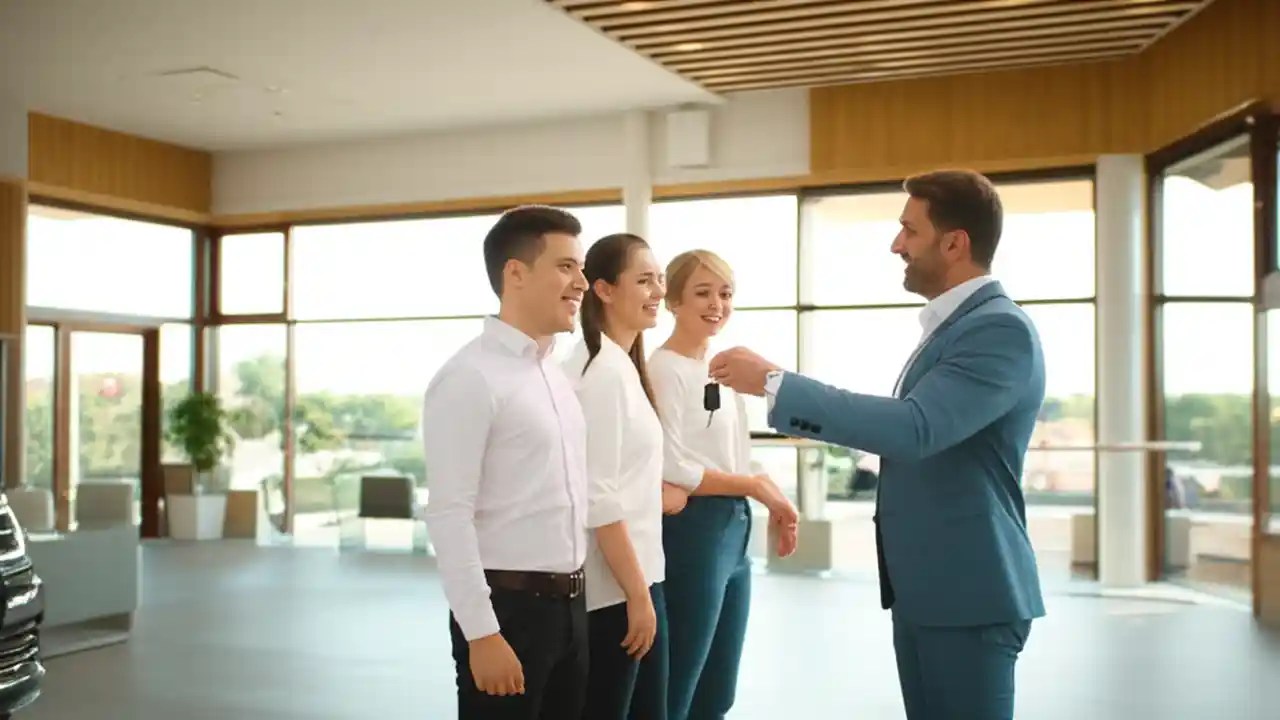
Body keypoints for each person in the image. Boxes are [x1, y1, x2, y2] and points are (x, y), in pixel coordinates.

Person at [708, 169, 1046, 719]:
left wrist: (776, 383)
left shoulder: (998, 331)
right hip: (930, 592)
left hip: (969, 593)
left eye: (909, 231)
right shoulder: (955, 328)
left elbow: (914, 428)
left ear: (954, 242)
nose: (897, 245)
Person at [421, 205, 591, 720]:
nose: (581, 282)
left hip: (571, 610)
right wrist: (482, 632)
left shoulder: (554, 375)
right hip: (509, 614)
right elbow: (449, 514)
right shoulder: (469, 377)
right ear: (515, 273)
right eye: (566, 267)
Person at [648, 249, 799, 720]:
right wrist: (754, 487)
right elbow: (670, 463)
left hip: (734, 529)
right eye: (703, 292)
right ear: (673, 301)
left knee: (718, 690)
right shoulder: (662, 368)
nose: (717, 304)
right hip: (692, 529)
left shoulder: (720, 371)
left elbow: (735, 456)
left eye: (726, 293)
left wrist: (770, 498)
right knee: (681, 681)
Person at [561, 233, 669, 720]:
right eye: (644, 280)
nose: (658, 291)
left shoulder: (618, 364)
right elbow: (598, 497)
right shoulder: (599, 372)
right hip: (615, 591)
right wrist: (638, 595)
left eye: (660, 279)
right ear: (602, 289)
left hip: (636, 579)